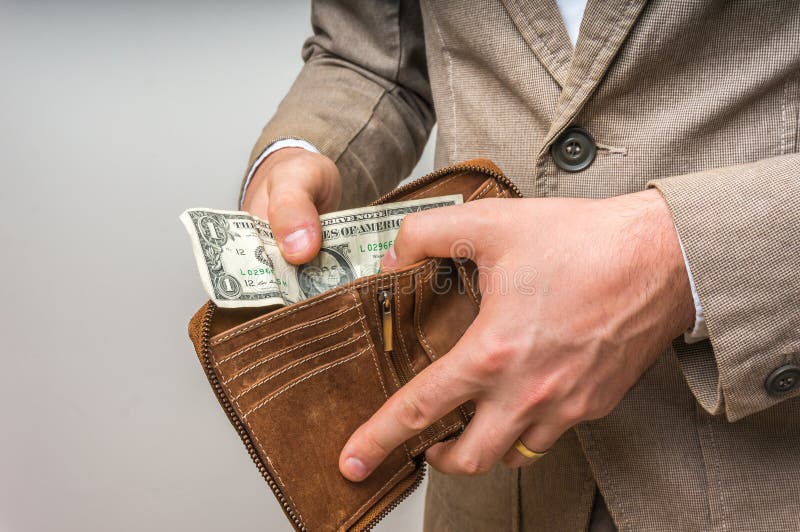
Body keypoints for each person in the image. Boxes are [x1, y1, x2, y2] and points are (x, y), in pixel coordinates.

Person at [241, 1, 800, 530]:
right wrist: (303, 148)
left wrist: (677, 257)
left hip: (764, 471)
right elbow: (374, 54)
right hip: (487, 486)